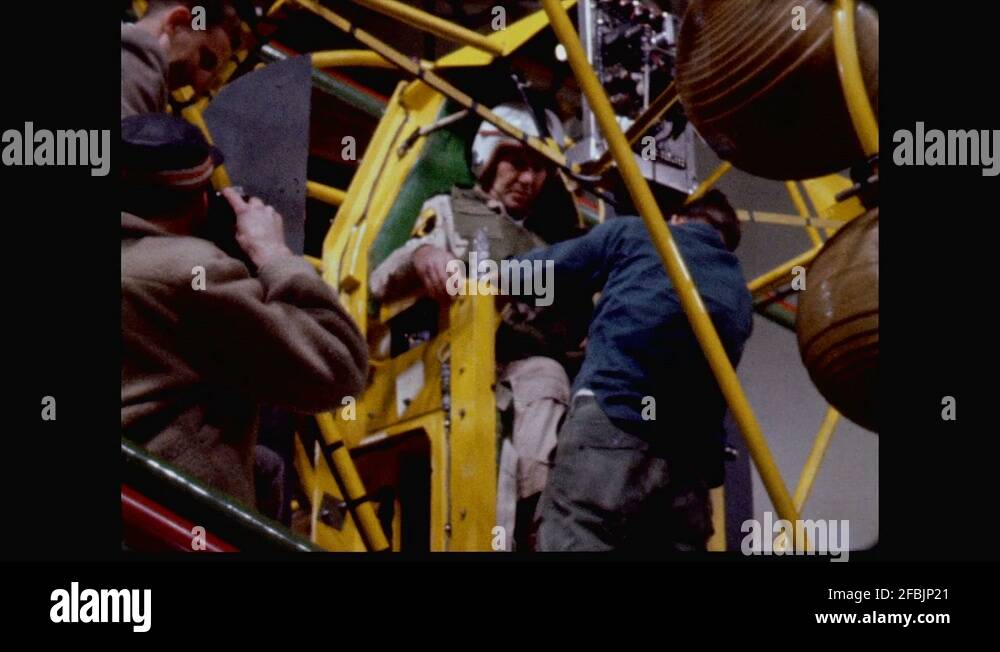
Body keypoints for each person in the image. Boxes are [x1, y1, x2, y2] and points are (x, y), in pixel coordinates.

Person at [121, 113, 368, 510]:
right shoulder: (188, 272)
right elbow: (338, 368)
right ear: (200, 199)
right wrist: (274, 254)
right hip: (172, 516)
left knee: (266, 464)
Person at [369, 103, 588, 550]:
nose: (529, 179)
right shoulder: (448, 210)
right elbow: (381, 279)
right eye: (518, 163)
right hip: (448, 358)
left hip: (520, 367)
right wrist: (422, 257)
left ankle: (540, 518)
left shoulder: (547, 249)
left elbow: (563, 326)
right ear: (487, 158)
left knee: (552, 383)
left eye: (541, 169)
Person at [509, 190, 753, 551]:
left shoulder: (643, 233)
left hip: (613, 422)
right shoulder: (740, 294)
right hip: (688, 467)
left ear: (678, 219)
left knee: (579, 534)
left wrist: (485, 275)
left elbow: (547, 274)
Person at [122, 0, 242, 118]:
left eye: (214, 79)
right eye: (206, 60)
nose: (201, 84)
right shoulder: (132, 73)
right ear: (176, 23)